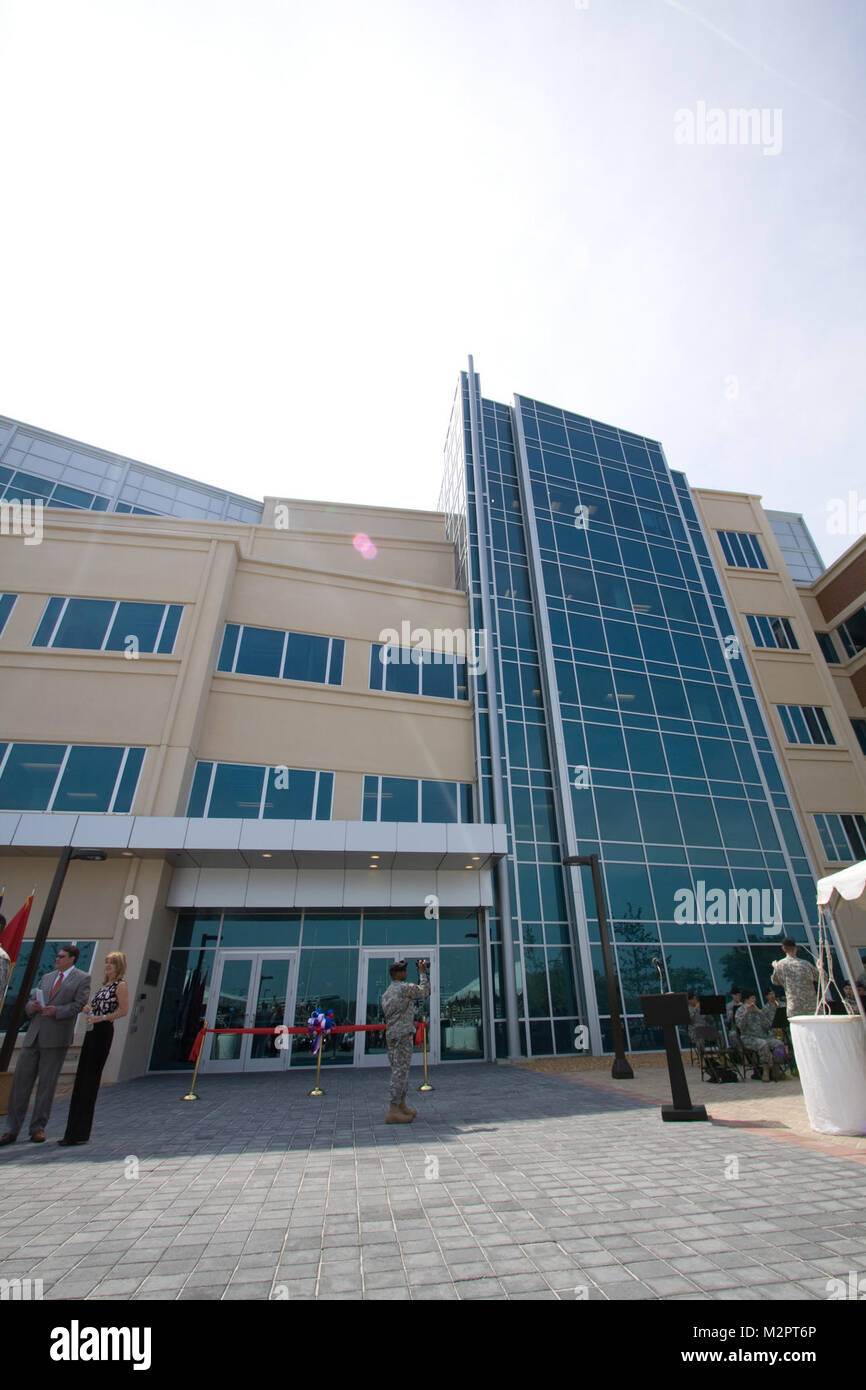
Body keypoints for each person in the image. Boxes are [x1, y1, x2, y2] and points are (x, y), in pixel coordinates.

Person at [0, 944, 90, 1144]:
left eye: (61, 956)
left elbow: (78, 1005)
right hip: (34, 1036)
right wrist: (31, 1007)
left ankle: (37, 1127)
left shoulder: (82, 978)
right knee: (20, 1084)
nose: (57, 959)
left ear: (72, 958)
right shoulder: (46, 977)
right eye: (57, 956)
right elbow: (31, 1000)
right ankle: (11, 1129)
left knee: (46, 1086)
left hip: (55, 1038)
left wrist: (56, 1011)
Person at [58, 951, 129, 1147]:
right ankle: (72, 1131)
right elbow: (98, 1006)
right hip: (91, 1030)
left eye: (112, 963)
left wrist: (102, 1018)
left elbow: (123, 1010)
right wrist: (89, 1009)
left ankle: (80, 1132)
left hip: (103, 1031)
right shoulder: (103, 986)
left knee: (90, 1079)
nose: (108, 966)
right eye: (107, 962)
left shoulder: (120, 986)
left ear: (119, 966)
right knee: (81, 1079)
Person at [381, 958, 429, 1124]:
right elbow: (424, 992)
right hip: (402, 1035)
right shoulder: (404, 988)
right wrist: (422, 973)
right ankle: (393, 1109)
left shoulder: (387, 992)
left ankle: (401, 1105)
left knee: (399, 1069)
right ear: (398, 974)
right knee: (400, 1072)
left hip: (392, 1034)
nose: (405, 973)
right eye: (403, 971)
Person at [735, 991, 777, 1082]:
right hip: (748, 1038)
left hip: (762, 1036)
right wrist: (746, 1013)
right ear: (747, 1000)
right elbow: (740, 1026)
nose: (754, 1000)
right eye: (752, 998)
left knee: (778, 1043)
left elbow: (768, 1025)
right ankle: (766, 1070)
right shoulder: (740, 1011)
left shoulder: (758, 1010)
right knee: (763, 1044)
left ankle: (776, 1067)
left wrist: (759, 1012)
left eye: (755, 998)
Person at [771, 938, 818, 1018]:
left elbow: (775, 981)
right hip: (812, 1007)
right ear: (796, 948)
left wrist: (776, 968)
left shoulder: (781, 965)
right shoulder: (806, 964)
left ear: (783, 948)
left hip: (795, 1009)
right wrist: (820, 968)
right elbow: (822, 978)